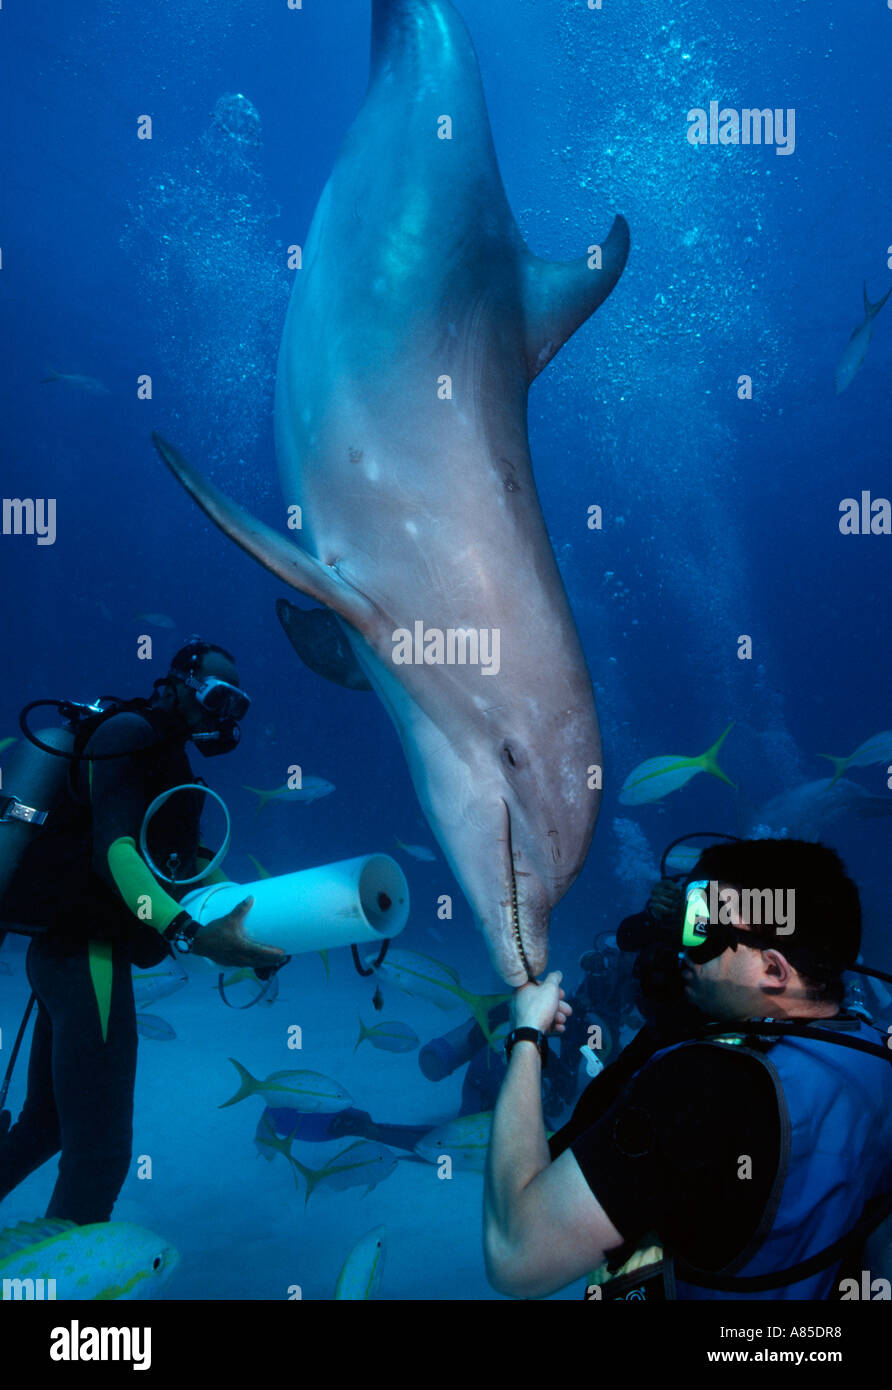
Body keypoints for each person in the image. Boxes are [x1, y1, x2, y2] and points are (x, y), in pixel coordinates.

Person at [483, 838, 892, 1300]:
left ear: (775, 972)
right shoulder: (875, 1053)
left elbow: (514, 1256)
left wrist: (526, 1037)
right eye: (688, 922)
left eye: (706, 934)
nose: (683, 948)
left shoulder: (703, 1086)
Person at [0, 638, 285, 1224]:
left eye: (238, 708)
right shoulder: (128, 737)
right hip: (87, 955)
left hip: (69, 956)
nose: (224, 717)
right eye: (219, 698)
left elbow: (184, 865)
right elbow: (115, 855)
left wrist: (252, 925)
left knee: (47, 1125)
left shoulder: (168, 760)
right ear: (179, 683)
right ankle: (62, 1294)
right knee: (100, 1153)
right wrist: (188, 933)